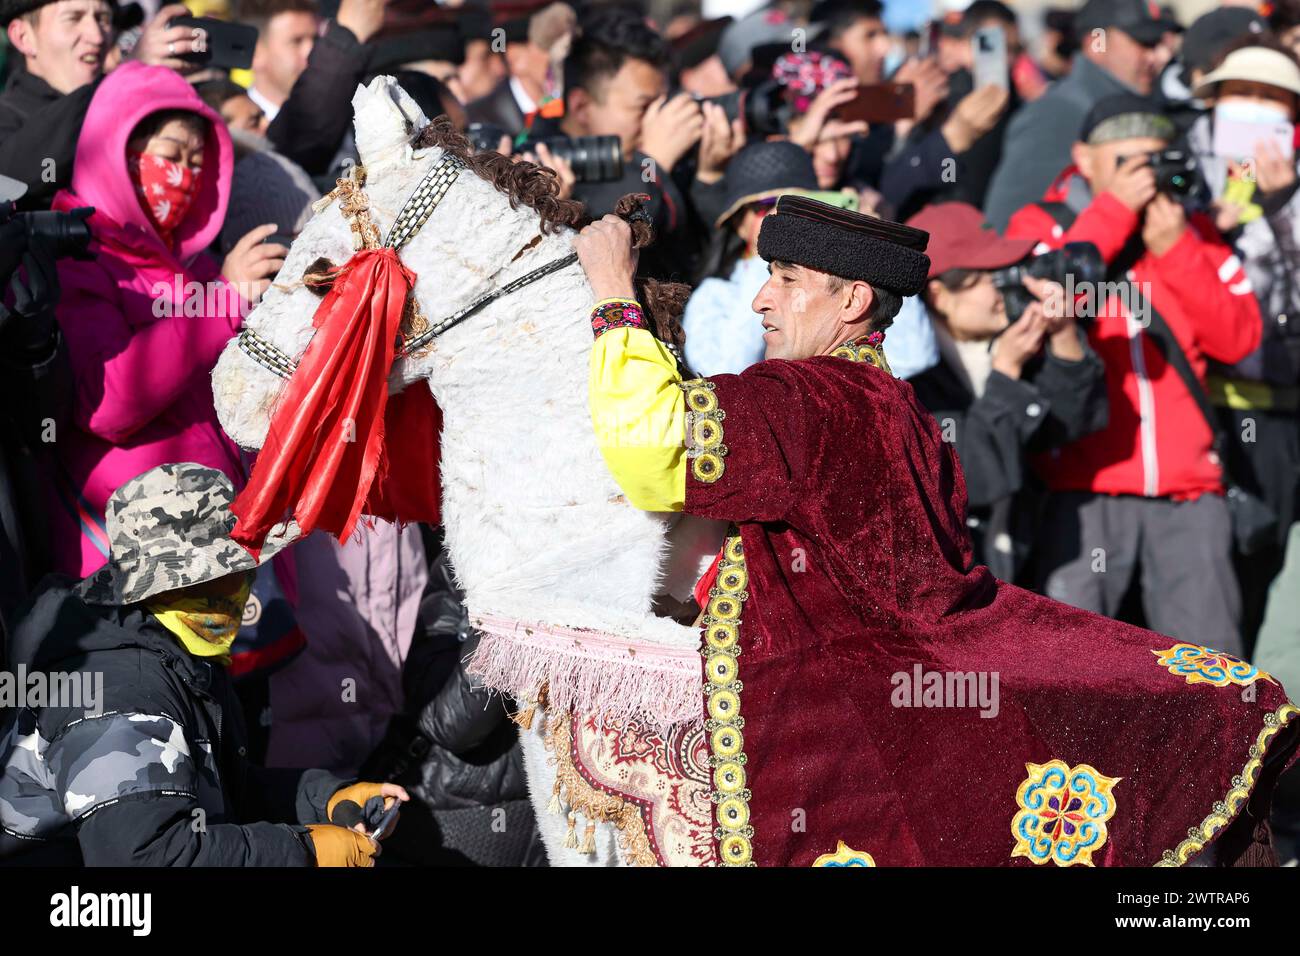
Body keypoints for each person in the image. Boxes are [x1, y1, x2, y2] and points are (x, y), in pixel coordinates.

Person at [564, 194, 1297, 866]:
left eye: (786, 279)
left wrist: (612, 296)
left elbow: (652, 446)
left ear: (853, 299)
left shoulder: (800, 397)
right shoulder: (897, 402)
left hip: (829, 746)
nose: (761, 299)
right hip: (904, 726)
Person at [0, 462, 406, 865]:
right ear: (176, 586)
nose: (242, 590)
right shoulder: (125, 691)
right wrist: (304, 851)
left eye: (242, 572)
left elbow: (211, 794)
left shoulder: (176, 648)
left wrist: (325, 798)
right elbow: (147, 858)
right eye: (220, 578)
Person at [1005, 94, 1262, 652]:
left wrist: (1177, 251)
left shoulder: (1186, 231)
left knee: (1211, 684)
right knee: (1073, 678)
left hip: (1189, 494)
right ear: (1083, 158)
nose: (1145, 178)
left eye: (1156, 160)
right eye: (1127, 163)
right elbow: (1054, 292)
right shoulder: (1047, 224)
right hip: (1082, 492)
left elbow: (1238, 341)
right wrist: (1113, 215)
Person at [45, 62, 285, 577]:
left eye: (198, 163)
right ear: (118, 152)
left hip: (215, 556)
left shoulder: (197, 267)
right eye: (171, 156)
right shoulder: (79, 260)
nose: (185, 176)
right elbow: (107, 401)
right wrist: (223, 300)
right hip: (136, 569)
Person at [905, 201, 1108, 582]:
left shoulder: (1001, 345)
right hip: (952, 582)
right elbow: (972, 481)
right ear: (940, 296)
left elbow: (1069, 426)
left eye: (1006, 272)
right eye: (988, 277)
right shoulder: (913, 382)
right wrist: (1006, 374)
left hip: (1022, 562)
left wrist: (1063, 336)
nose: (1005, 288)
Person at [1186, 42, 1300, 651]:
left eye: (1270, 100)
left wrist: (1281, 208)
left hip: (1278, 412)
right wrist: (1206, 222)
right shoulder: (1182, 174)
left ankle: (1258, 718)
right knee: (1202, 583)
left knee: (1261, 567)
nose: (1253, 112)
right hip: (1196, 408)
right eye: (1240, 96)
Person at [984, 0, 1180, 228]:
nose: (1157, 56)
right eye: (1144, 42)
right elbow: (1006, 228)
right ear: (1096, 42)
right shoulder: (1057, 113)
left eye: (1158, 43)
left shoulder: (1145, 105)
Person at [0, 0, 206, 207]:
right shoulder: (7, 118)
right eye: (73, 18)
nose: (97, 36)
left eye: (103, 19)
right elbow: (25, 175)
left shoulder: (132, 106)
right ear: (23, 37)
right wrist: (129, 76)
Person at [466, 0, 575, 139]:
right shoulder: (479, 122)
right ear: (516, 58)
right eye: (548, 44)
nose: (563, 55)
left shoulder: (576, 107)